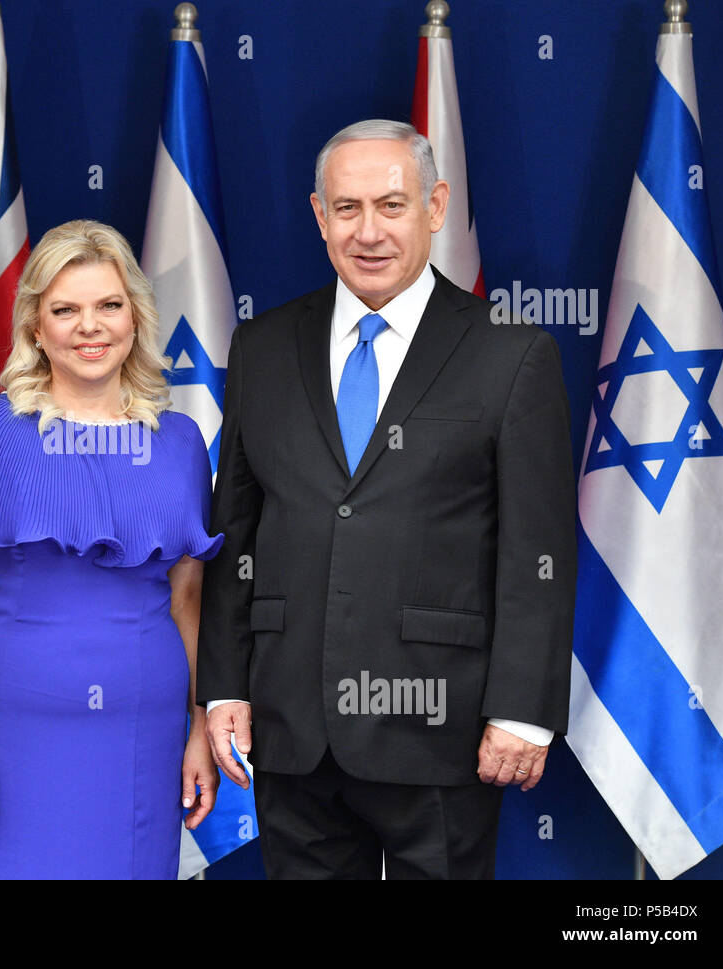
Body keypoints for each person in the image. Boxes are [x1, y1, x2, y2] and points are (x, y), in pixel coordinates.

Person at [198, 119, 576, 879]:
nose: (368, 231)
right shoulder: (262, 347)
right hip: (290, 724)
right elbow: (235, 533)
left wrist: (522, 709)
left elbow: (538, 549)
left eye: (392, 205)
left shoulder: (512, 352)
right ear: (319, 215)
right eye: (347, 208)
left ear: (435, 207)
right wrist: (223, 687)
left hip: (441, 726)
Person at [0, 220, 222, 879]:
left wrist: (199, 721)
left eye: (109, 305)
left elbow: (189, 598)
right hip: (10, 731)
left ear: (135, 317)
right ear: (35, 326)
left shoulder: (182, 443)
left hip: (145, 728)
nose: (90, 326)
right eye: (65, 309)